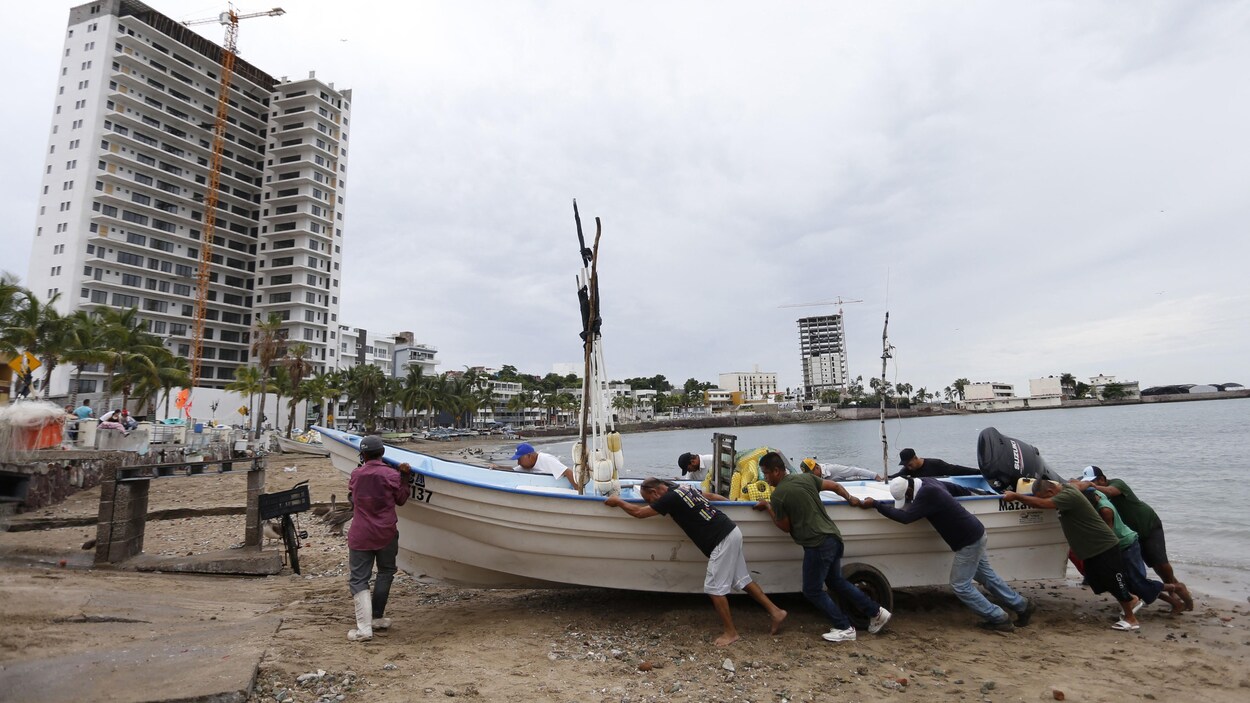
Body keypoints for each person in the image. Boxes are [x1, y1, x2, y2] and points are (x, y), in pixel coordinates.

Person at [605, 477, 787, 646]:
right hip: (731, 530)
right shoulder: (683, 488)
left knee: (714, 588)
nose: (651, 504)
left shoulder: (669, 498)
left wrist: (618, 501)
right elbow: (711, 496)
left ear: (655, 492)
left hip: (721, 538)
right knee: (742, 580)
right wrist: (737, 506)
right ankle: (776, 612)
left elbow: (638, 512)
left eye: (649, 500)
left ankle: (731, 633)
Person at [859, 476, 1034, 631]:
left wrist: (876, 505)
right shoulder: (929, 482)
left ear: (910, 489)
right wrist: (976, 496)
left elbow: (906, 518)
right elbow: (957, 489)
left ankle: (998, 618)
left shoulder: (928, 494)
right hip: (976, 533)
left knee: (960, 585)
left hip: (968, 542)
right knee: (986, 576)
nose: (909, 502)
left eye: (908, 498)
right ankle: (1023, 606)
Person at [753, 452, 891, 642]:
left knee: (812, 590)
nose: (765, 478)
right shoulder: (807, 478)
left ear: (777, 471)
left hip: (816, 544)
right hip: (833, 537)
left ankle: (844, 627)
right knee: (835, 581)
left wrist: (768, 508)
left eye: (766, 473)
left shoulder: (779, 496)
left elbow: (785, 527)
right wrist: (850, 498)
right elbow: (835, 486)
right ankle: (877, 612)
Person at [1004, 479, 1144, 630]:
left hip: (1103, 545)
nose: (1044, 499)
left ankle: (1131, 619)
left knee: (1115, 580)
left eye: (1043, 496)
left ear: (1050, 492)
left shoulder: (1066, 496)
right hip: (1090, 549)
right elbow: (1079, 485)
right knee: (1098, 581)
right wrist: (1089, 484)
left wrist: (1017, 496)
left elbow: (1043, 504)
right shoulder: (1068, 488)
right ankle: (1131, 600)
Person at [1074, 466, 1192, 611]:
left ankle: (1174, 592)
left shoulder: (1116, 484)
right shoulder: (1096, 496)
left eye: (1093, 482)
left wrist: (1091, 486)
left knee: (1159, 564)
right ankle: (1169, 595)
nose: (1092, 485)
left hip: (1147, 525)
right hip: (1128, 535)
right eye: (1088, 482)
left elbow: (1111, 492)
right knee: (1134, 577)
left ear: (1102, 479)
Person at [346, 435, 413, 642]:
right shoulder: (391, 474)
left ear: (363, 455)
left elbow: (351, 497)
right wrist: (404, 477)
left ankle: (364, 628)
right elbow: (401, 499)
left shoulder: (356, 474)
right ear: (383, 453)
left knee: (359, 579)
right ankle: (376, 617)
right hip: (386, 533)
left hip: (361, 534)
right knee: (385, 572)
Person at [489, 443, 578, 489]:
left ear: (529, 456)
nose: (518, 463)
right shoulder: (527, 465)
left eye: (519, 459)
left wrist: (579, 493)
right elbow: (513, 470)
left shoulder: (547, 459)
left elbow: (568, 472)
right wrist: (497, 467)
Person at [890, 448, 982, 479]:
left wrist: (979, 472)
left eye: (909, 465)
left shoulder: (936, 464)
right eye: (906, 466)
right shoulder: (907, 470)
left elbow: (955, 469)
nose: (909, 468)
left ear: (915, 458)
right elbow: (897, 476)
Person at [799, 458, 882, 482]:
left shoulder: (833, 469)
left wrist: (874, 476)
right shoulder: (809, 478)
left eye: (811, 473)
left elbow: (854, 471)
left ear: (817, 467)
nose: (810, 476)